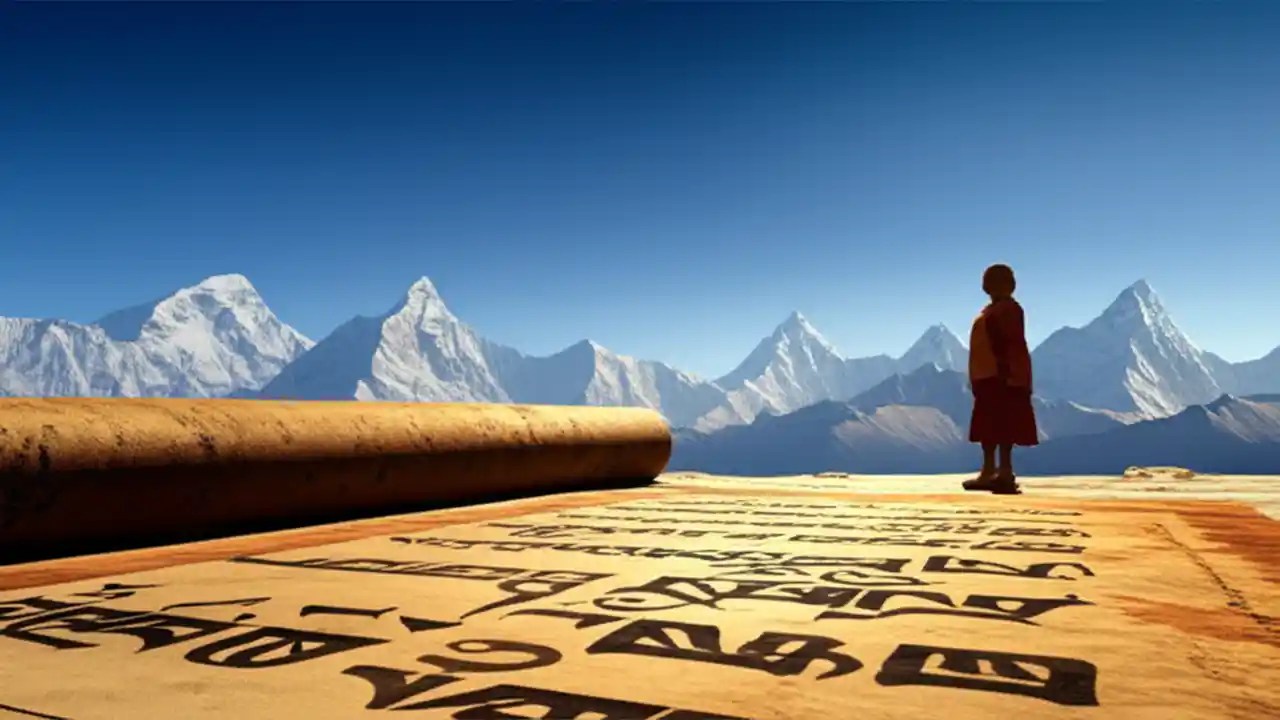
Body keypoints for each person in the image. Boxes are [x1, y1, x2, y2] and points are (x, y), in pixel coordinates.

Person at [963, 264, 1038, 494]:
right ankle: (990, 472)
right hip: (990, 377)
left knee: (1002, 427)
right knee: (991, 428)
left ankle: (1003, 472)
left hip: (1001, 377)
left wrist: (1008, 373)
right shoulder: (996, 311)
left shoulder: (1006, 311)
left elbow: (1008, 344)